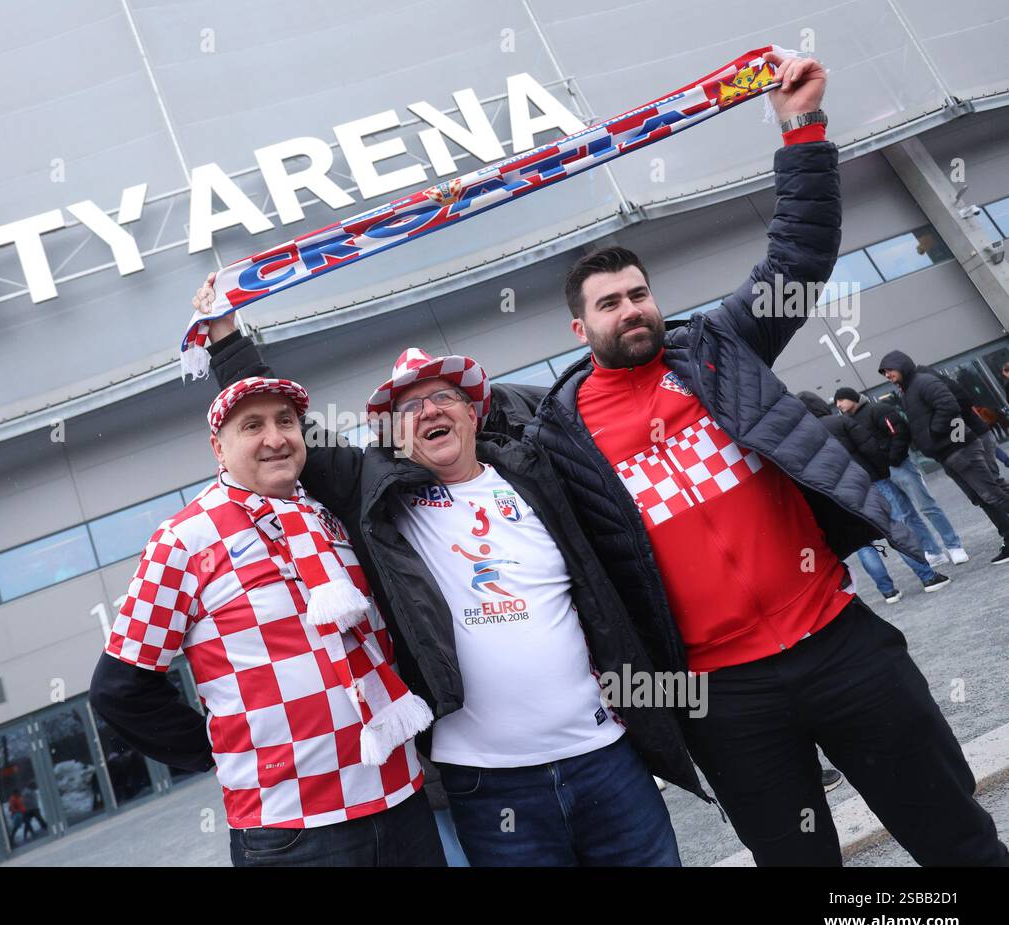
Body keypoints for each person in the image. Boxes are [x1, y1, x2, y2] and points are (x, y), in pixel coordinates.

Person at [528, 50, 1007, 866]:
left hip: (838, 640)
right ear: (581, 330)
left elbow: (801, 253)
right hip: (721, 696)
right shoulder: (556, 438)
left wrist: (801, 127)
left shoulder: (717, 350)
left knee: (957, 837)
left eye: (639, 292)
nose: (631, 309)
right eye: (610, 304)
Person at [197, 303, 689, 866]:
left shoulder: (538, 474)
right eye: (409, 408)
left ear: (473, 413)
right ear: (394, 436)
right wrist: (228, 340)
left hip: (606, 757)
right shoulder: (377, 496)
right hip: (490, 784)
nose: (428, 410)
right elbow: (284, 431)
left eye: (443, 397)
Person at [89, 375, 445, 867]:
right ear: (218, 447)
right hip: (292, 831)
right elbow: (120, 687)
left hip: (401, 798)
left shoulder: (331, 518)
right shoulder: (184, 539)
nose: (275, 437)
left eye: (285, 422)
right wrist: (219, 753)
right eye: (251, 425)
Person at [798, 391, 949, 602]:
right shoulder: (841, 422)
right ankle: (928, 577)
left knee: (863, 543)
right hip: (869, 482)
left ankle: (888, 591)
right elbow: (869, 448)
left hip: (837, 494)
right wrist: (881, 473)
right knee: (894, 528)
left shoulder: (801, 438)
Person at [878, 350, 1009, 566]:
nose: (887, 375)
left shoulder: (924, 381)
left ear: (901, 366)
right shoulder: (909, 390)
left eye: (889, 370)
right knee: (983, 497)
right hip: (948, 454)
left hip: (960, 450)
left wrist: (938, 434)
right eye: (884, 373)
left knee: (992, 493)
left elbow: (951, 406)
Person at [834, 386, 968, 566]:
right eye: (836, 402)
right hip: (881, 474)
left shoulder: (878, 409)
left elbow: (899, 432)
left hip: (900, 466)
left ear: (852, 397)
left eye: (841, 399)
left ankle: (954, 546)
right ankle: (932, 551)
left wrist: (894, 458)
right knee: (906, 516)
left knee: (927, 506)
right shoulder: (848, 422)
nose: (838, 404)